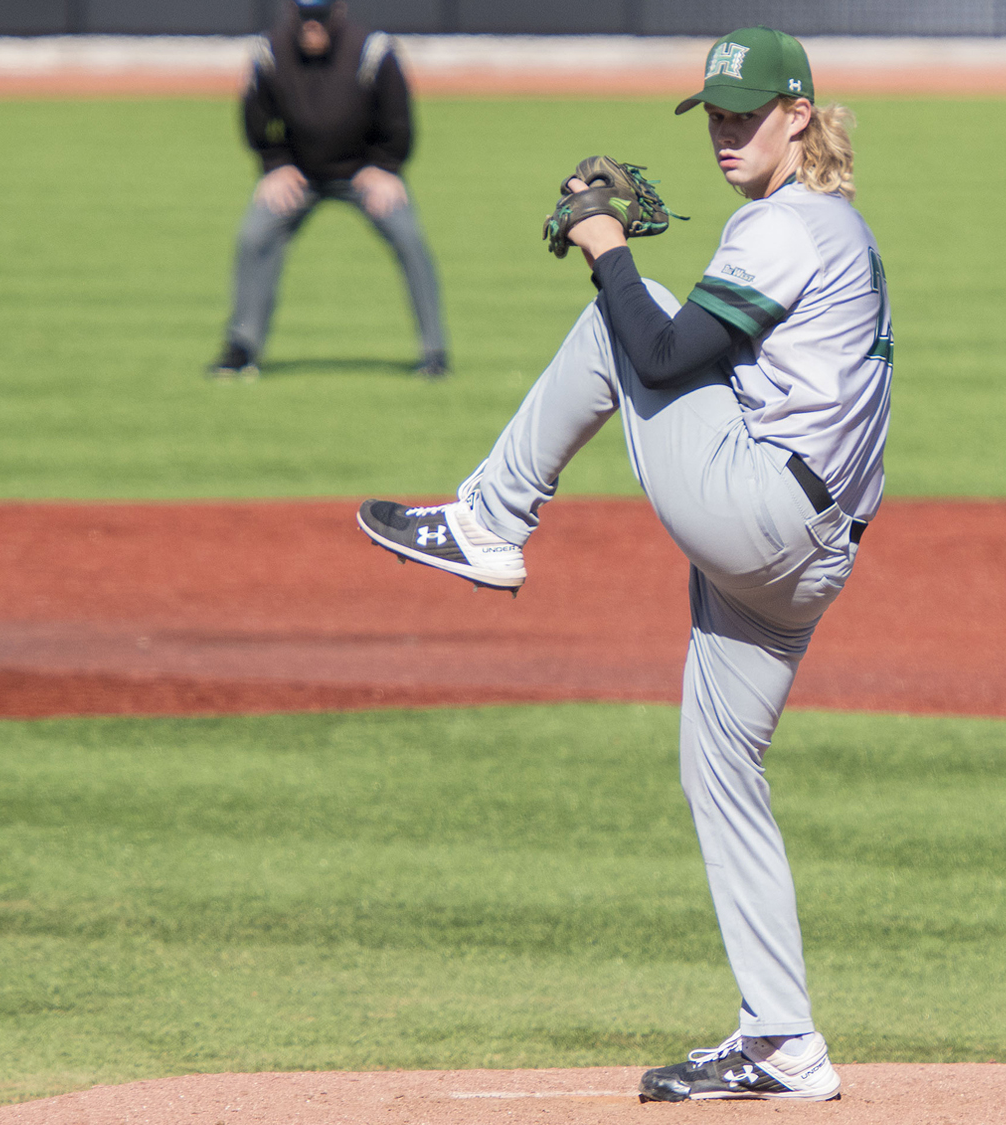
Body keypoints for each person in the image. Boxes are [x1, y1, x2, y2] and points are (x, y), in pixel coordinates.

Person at [355, 26, 889, 1102]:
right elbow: (712, 363)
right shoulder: (826, 226)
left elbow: (652, 356)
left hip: (764, 518)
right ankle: (783, 1041)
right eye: (715, 116)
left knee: (611, 330)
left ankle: (489, 521)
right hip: (805, 549)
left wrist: (605, 243)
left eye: (748, 113)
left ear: (799, 113)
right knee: (720, 772)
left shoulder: (782, 230)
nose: (728, 133)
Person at [209, 0, 447, 380]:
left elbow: (399, 120)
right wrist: (275, 165)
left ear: (338, 13)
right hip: (299, 174)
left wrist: (385, 166)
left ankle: (434, 353)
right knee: (254, 237)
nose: (312, 26)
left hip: (364, 172)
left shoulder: (373, 50)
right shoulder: (269, 52)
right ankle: (241, 346)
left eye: (320, 17)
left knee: (410, 238)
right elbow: (255, 118)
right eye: (305, 17)